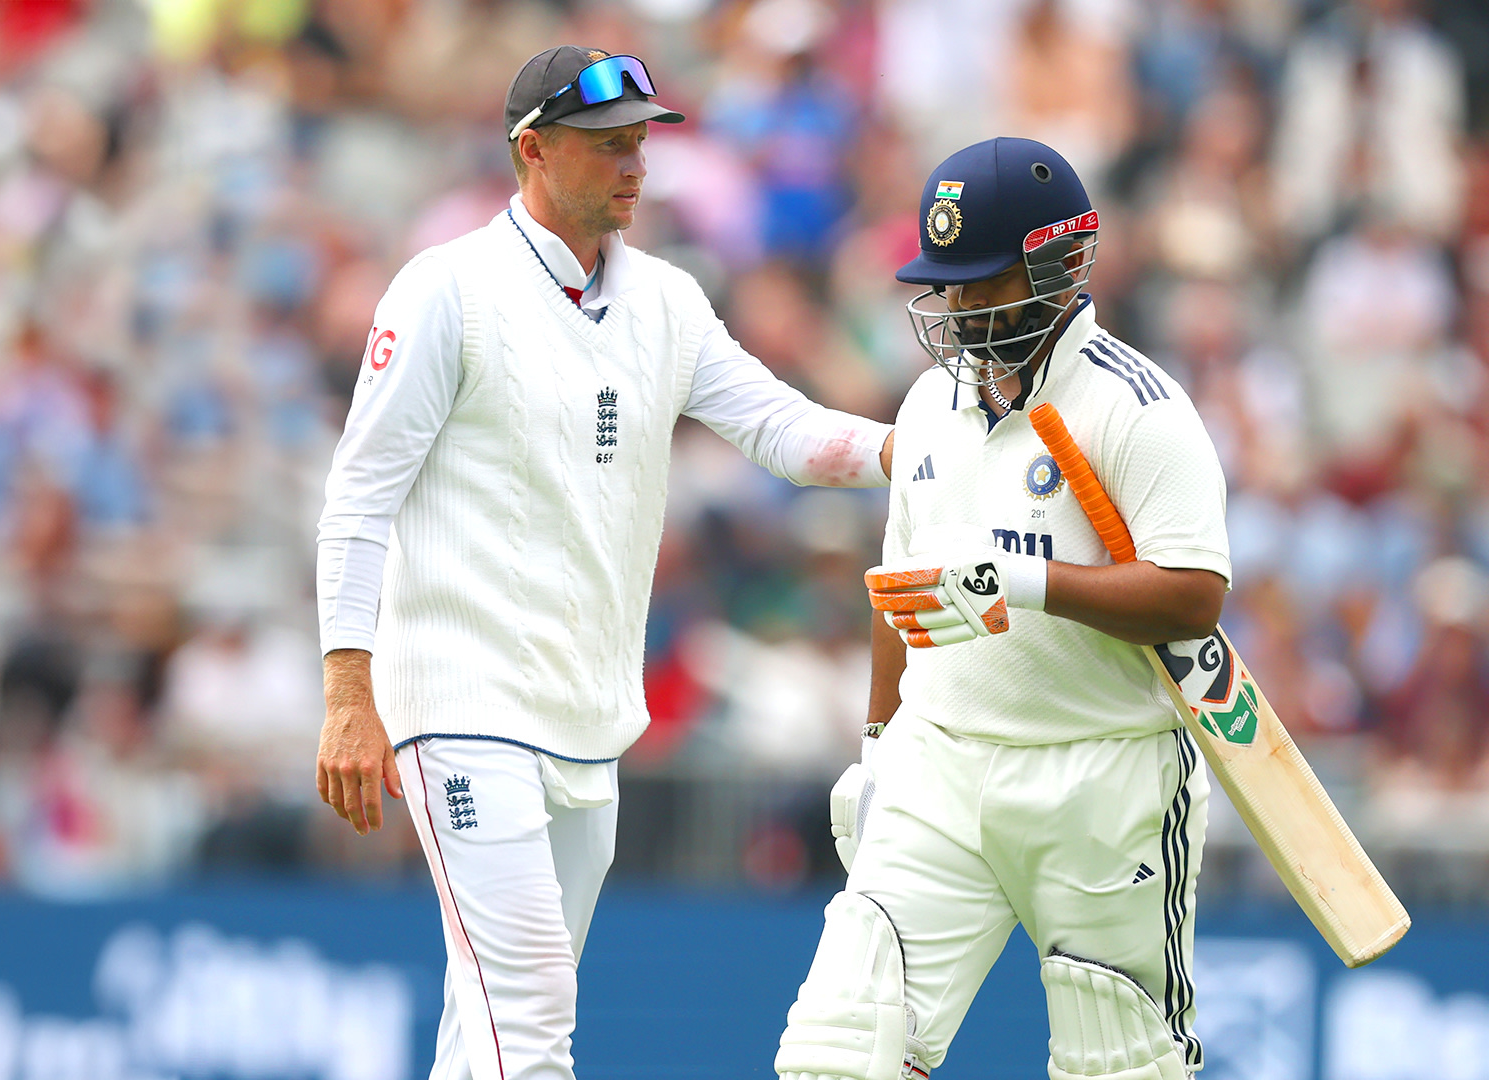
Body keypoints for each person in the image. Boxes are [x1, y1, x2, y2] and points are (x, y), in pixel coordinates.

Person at [314, 46, 895, 1080]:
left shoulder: (666, 299)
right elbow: (359, 496)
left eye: (638, 142)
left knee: (488, 1031)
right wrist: (349, 693)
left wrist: (926, 451)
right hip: (463, 704)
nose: (634, 165)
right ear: (532, 151)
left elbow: (781, 430)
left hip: (589, 719)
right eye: (606, 145)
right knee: (531, 1015)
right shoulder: (446, 288)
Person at [775, 138, 1231, 1080]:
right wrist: (877, 745)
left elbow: (1194, 596)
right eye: (949, 284)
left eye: (985, 281)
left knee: (1121, 1066)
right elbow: (898, 587)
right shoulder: (927, 405)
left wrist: (1027, 581)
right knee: (838, 1055)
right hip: (940, 764)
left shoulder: (1137, 407)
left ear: (1062, 263)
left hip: (1101, 774)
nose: (960, 307)